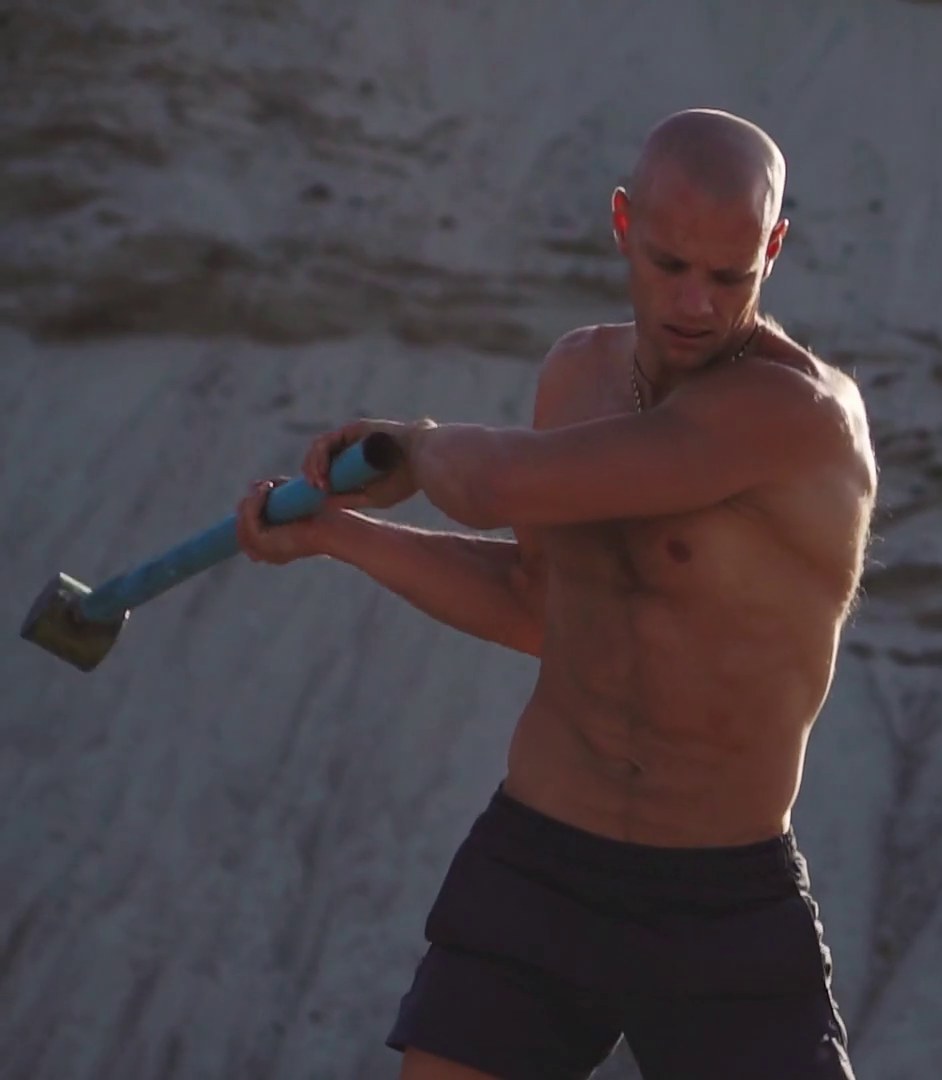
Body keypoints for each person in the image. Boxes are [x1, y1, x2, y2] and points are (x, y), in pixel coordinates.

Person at [235, 108, 872, 1080]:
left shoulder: (798, 416)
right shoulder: (576, 372)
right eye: (671, 265)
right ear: (623, 222)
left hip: (717, 895)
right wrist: (338, 533)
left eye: (731, 276)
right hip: (541, 859)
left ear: (774, 247)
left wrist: (413, 445)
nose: (698, 303)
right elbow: (542, 605)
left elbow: (487, 488)